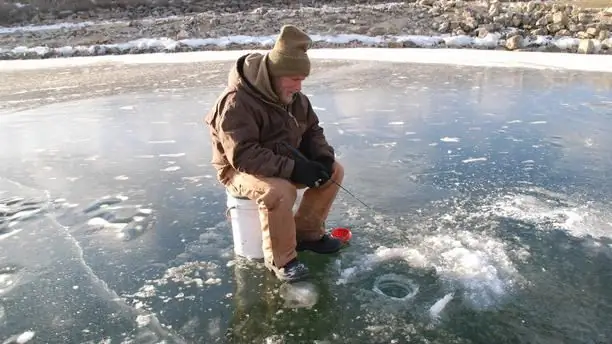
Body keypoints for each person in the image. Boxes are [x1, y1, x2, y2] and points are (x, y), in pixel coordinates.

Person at [204, 24, 345, 282]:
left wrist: (321, 157)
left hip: (279, 160)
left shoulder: (295, 98)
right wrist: (296, 169)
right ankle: (283, 260)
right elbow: (243, 155)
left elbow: (313, 130)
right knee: (279, 190)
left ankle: (307, 234)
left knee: (335, 170)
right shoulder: (237, 101)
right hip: (237, 170)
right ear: (276, 75)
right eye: (294, 79)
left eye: (302, 79)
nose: (299, 86)